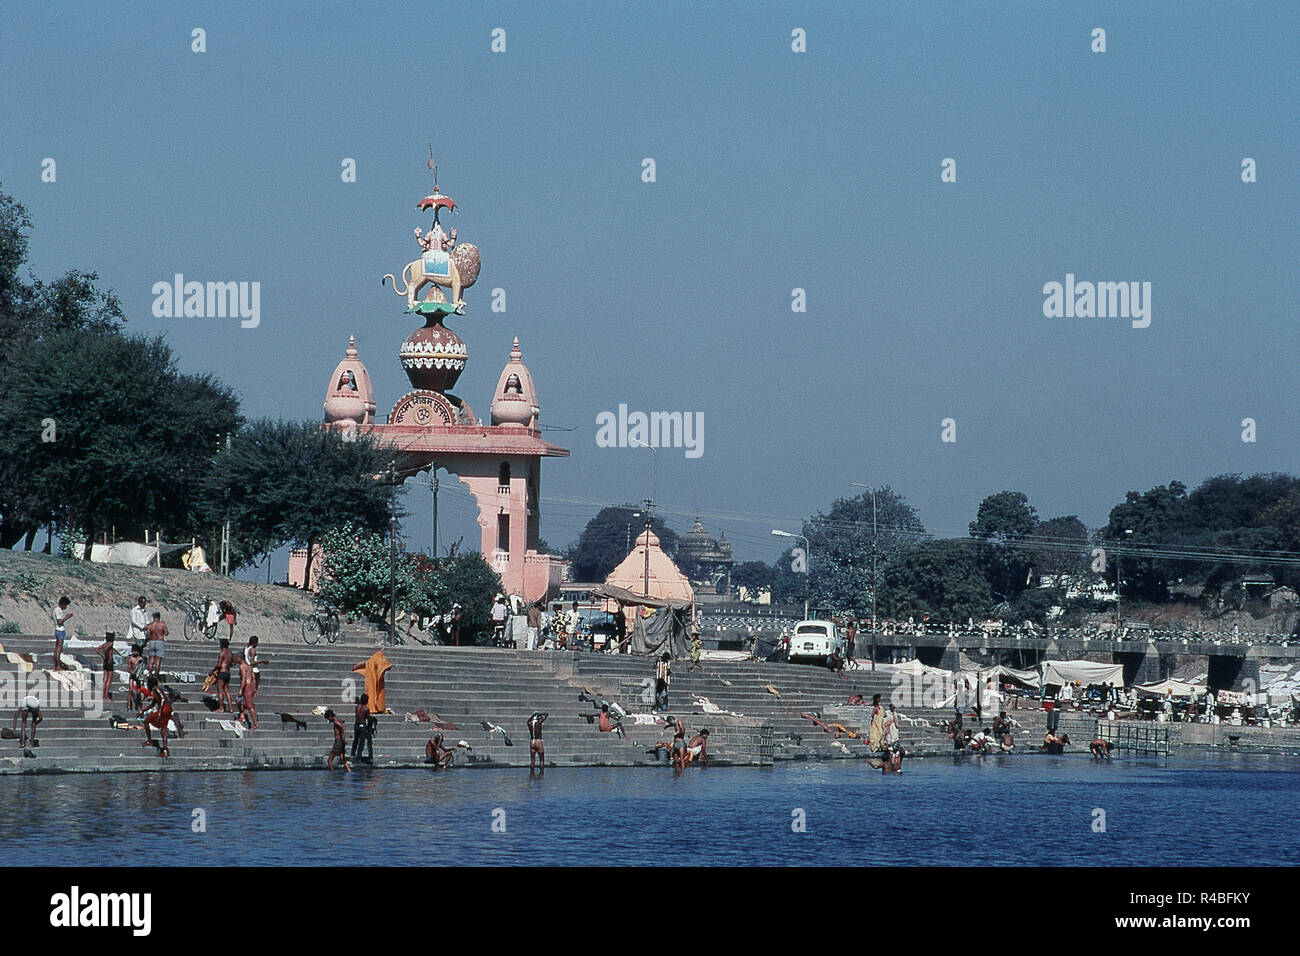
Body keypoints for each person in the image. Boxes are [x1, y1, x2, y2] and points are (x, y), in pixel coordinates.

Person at [139, 676, 173, 758]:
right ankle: (165, 751)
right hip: (168, 709)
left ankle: (150, 741)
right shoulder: (155, 691)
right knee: (163, 731)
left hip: (164, 709)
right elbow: (152, 704)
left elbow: (163, 700)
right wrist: (142, 711)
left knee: (147, 721)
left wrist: (160, 712)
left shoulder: (156, 689)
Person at [94, 632, 117, 702]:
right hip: (109, 662)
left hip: (105, 662)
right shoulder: (110, 644)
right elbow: (106, 649)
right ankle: (106, 696)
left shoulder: (104, 644)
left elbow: (96, 649)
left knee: (105, 679)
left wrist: (103, 656)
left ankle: (103, 695)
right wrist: (107, 656)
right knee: (108, 680)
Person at [52, 596, 73, 671]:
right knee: (58, 649)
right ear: (62, 604)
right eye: (66, 605)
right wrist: (67, 617)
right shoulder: (57, 610)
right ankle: (57, 666)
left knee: (57, 648)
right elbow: (60, 622)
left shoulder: (57, 610)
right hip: (59, 630)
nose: (66, 607)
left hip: (59, 630)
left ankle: (57, 666)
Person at [144, 611, 167, 680]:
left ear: (153, 617)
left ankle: (150, 675)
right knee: (158, 661)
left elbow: (148, 634)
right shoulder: (162, 624)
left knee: (151, 660)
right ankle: (156, 677)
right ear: (159, 617)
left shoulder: (150, 625)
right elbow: (166, 633)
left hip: (152, 642)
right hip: (159, 642)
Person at [237, 654, 258, 729]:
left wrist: (240, 690)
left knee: (250, 706)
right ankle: (242, 716)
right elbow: (254, 677)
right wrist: (255, 688)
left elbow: (244, 679)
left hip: (247, 687)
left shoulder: (242, 666)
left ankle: (255, 723)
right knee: (239, 701)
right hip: (251, 686)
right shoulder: (249, 666)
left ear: (239, 658)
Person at [352, 693, 373, 763]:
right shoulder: (366, 709)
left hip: (356, 725)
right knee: (361, 742)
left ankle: (352, 753)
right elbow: (368, 718)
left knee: (355, 740)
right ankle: (358, 757)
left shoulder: (357, 707)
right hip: (362, 726)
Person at [215, 639, 235, 713]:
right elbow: (232, 663)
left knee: (220, 690)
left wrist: (213, 670)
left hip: (222, 673)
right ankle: (230, 708)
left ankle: (221, 708)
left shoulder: (222, 653)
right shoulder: (230, 653)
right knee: (227, 691)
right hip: (228, 673)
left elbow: (219, 665)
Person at [126, 643, 146, 711]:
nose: (134, 652)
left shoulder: (140, 659)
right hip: (132, 675)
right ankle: (129, 706)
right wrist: (132, 671)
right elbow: (128, 668)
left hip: (138, 676)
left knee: (138, 692)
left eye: (136, 651)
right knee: (130, 691)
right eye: (133, 651)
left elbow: (142, 667)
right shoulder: (131, 658)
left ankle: (139, 706)